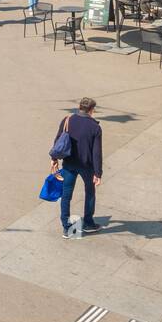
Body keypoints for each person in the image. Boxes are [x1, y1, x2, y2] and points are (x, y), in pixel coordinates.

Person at [50, 97, 103, 235]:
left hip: (69, 164)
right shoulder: (95, 127)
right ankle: (88, 223)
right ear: (92, 110)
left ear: (79, 107)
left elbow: (58, 141)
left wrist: (54, 158)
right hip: (87, 166)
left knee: (66, 195)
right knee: (90, 193)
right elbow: (96, 153)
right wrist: (98, 173)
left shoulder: (67, 120)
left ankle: (66, 228)